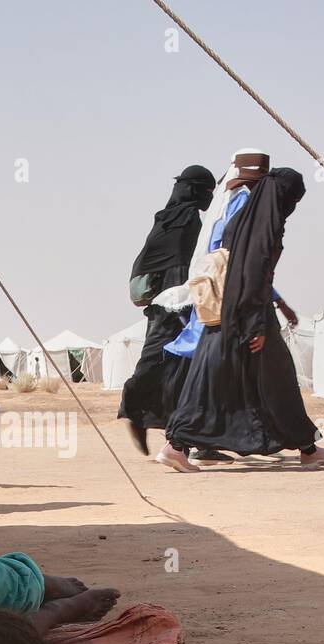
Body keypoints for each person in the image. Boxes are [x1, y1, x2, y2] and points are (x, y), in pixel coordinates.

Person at [160, 151, 324, 472]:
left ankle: (307, 447)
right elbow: (253, 270)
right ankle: (176, 444)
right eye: (292, 198)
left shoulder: (247, 216)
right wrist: (255, 325)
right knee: (218, 378)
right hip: (244, 312)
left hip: (241, 309)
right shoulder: (261, 220)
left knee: (271, 378)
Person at [119, 165, 216, 455]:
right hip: (172, 305)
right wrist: (186, 309)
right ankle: (134, 406)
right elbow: (178, 266)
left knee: (188, 369)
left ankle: (194, 439)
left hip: (169, 302)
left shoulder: (164, 217)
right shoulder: (186, 220)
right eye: (207, 191)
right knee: (165, 362)